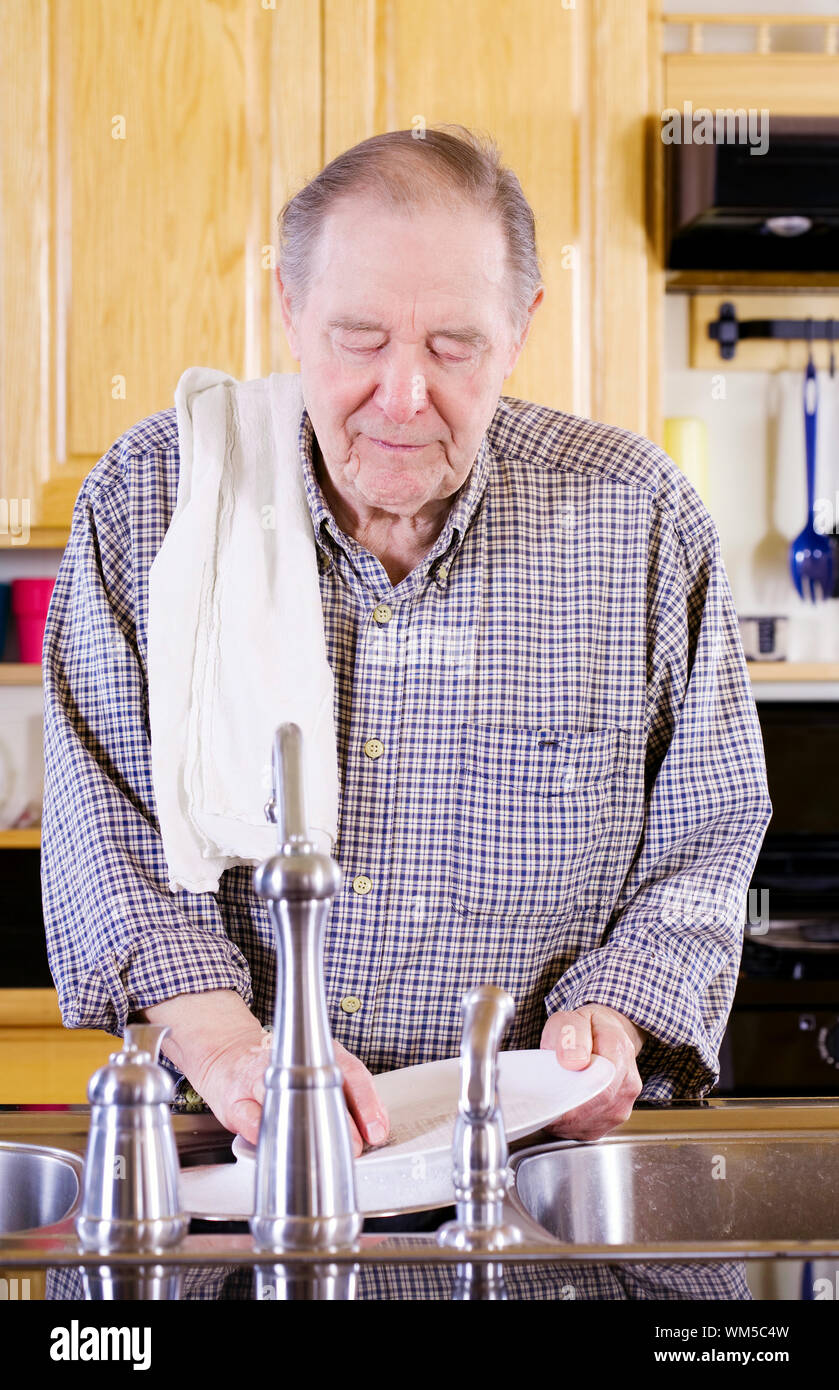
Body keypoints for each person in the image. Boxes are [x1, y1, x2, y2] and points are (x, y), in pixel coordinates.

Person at [41, 125, 772, 1300]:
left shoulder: (634, 517)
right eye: (359, 339)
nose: (402, 394)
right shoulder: (155, 500)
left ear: (522, 325)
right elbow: (105, 836)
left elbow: (704, 834)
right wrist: (238, 1052)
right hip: (242, 1184)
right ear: (286, 305)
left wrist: (613, 1016)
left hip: (529, 1199)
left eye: (452, 345)